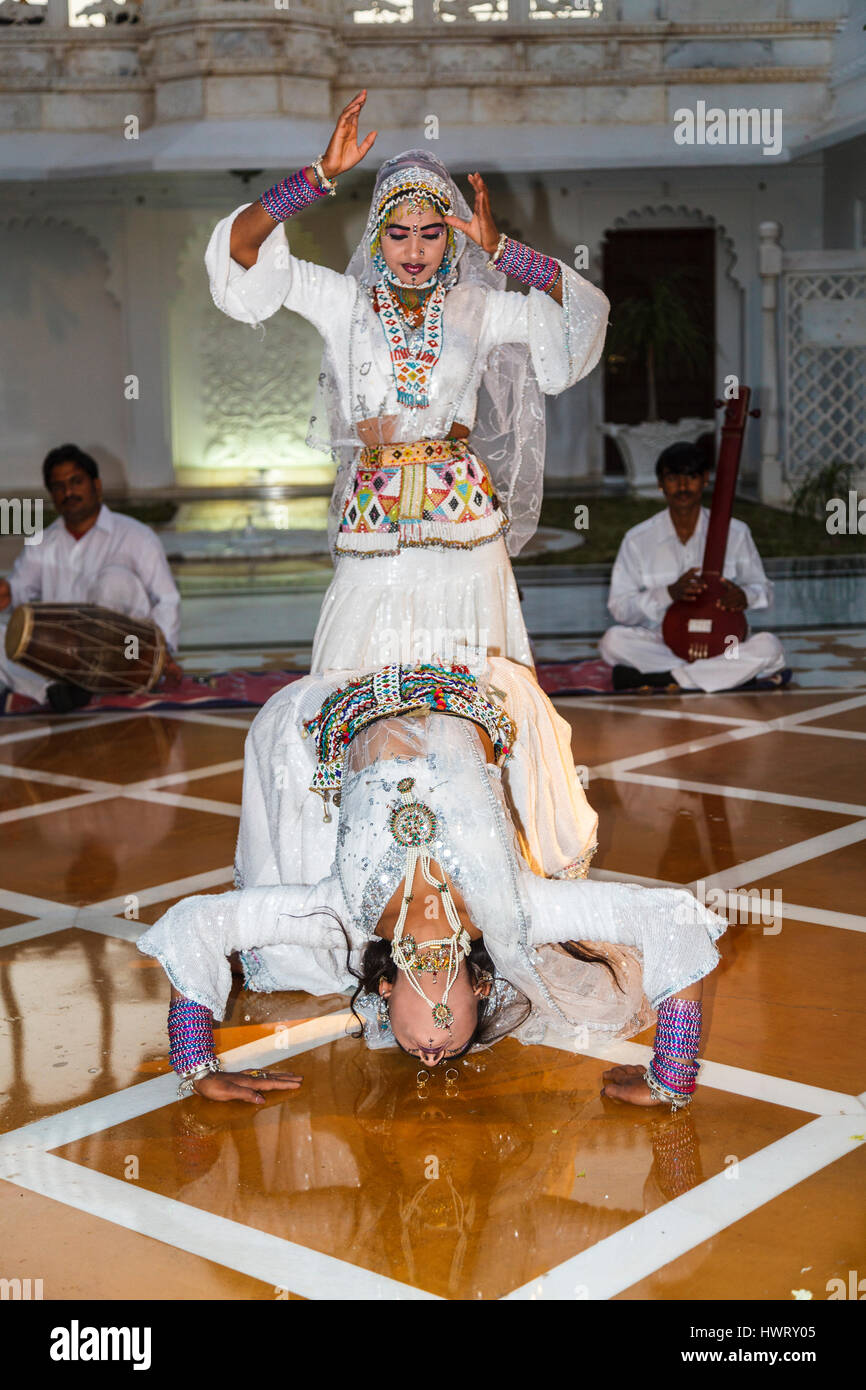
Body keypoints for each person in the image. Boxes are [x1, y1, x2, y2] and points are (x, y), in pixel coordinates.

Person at [138, 657, 726, 1110]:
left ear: (386, 993)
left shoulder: (339, 915)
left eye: (413, 1052)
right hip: (467, 684)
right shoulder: (519, 913)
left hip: (339, 703)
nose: (429, 1056)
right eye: (452, 1049)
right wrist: (669, 1077)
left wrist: (199, 1068)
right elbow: (672, 916)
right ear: (483, 993)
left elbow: (195, 923)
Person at [205, 90, 609, 673]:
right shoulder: (342, 301)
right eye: (398, 234)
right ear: (376, 236)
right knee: (359, 686)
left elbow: (583, 312)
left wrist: (502, 252)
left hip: (467, 526)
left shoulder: (480, 306)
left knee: (473, 693)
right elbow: (241, 249)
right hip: (374, 523)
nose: (415, 250)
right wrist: (315, 178)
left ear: (452, 238)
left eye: (431, 233)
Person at [0, 444, 182, 712]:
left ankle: (92, 682)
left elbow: (167, 599)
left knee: (115, 582)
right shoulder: (42, 542)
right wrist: (7, 592)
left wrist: (163, 651)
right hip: (60, 659)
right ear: (51, 494)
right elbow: (19, 589)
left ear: (96, 485)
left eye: (76, 482)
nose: (68, 492)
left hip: (125, 660)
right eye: (58, 486)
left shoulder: (136, 536)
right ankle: (53, 691)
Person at [599, 441, 787, 693]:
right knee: (612, 641)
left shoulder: (735, 532)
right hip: (663, 643)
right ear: (660, 484)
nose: (683, 485)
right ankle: (718, 676)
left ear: (705, 480)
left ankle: (668, 678)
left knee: (769, 647)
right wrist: (667, 593)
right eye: (673, 477)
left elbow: (764, 590)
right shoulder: (638, 539)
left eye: (691, 476)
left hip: (725, 641)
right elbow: (620, 609)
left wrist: (745, 596)